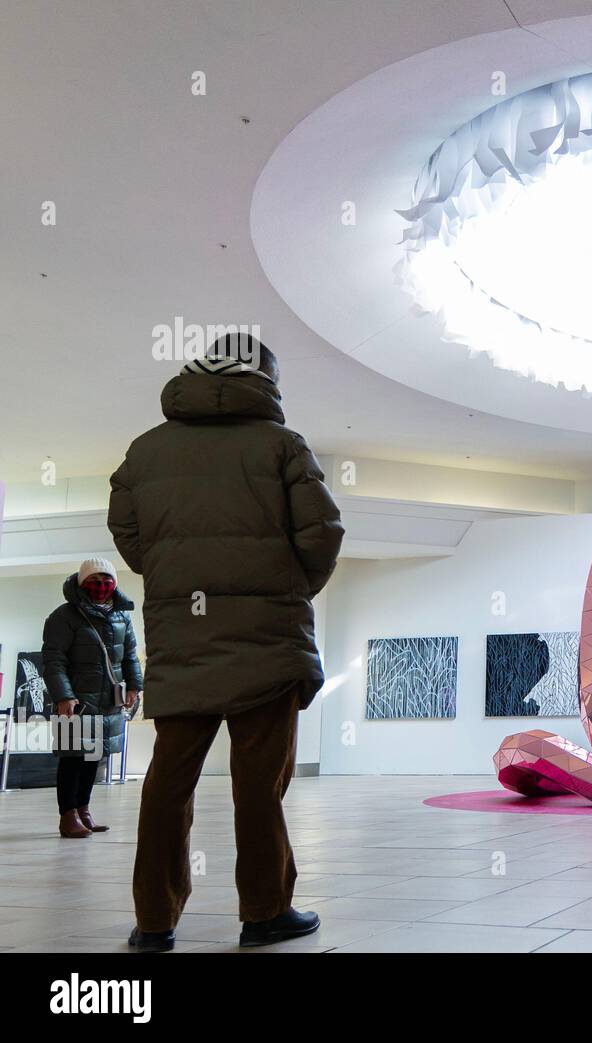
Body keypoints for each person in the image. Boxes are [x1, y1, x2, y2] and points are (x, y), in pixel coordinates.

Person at [107, 335, 344, 952]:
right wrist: (289, 589)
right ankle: (265, 913)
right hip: (268, 646)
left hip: (180, 642)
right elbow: (322, 532)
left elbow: (129, 534)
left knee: (167, 783)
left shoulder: (146, 450)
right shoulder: (282, 445)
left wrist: (174, 575)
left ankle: (154, 922)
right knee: (259, 787)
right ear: (265, 378)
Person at [42, 557, 142, 838]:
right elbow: (54, 660)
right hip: (76, 701)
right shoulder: (64, 616)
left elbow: (130, 656)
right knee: (72, 758)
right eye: (94, 580)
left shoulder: (121, 616)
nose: (101, 585)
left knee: (93, 758)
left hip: (107, 701)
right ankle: (68, 816)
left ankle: (84, 811)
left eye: (106, 580)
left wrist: (134, 686)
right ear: (81, 583)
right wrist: (64, 696)